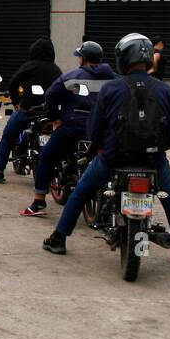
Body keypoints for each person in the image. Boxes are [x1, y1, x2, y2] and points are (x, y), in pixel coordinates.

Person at [42, 33, 170, 263]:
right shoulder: (165, 90)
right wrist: (158, 149)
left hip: (113, 157)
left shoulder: (112, 88)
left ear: (123, 58)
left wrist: (103, 149)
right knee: (169, 196)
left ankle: (58, 239)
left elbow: (94, 129)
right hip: (153, 161)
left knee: (82, 190)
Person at [20, 41, 116, 216]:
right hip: (104, 130)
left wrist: (55, 119)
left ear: (83, 59)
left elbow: (51, 96)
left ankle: (39, 201)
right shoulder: (114, 79)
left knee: (47, 155)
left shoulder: (72, 77)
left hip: (74, 126)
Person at [0, 36, 62, 182]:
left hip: (28, 111)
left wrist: (16, 103)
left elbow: (12, 84)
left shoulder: (29, 66)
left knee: (8, 137)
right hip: (50, 114)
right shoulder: (56, 70)